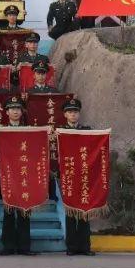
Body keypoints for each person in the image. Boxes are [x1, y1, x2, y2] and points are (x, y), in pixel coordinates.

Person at [0, 96, 36, 256]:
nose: (15, 111)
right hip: (8, 175)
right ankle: (8, 246)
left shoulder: (29, 130)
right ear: (6, 112)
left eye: (18, 109)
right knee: (8, 211)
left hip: (24, 175)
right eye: (12, 109)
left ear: (22, 112)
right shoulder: (1, 129)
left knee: (24, 211)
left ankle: (24, 246)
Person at [58, 98, 94, 256]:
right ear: (65, 114)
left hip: (84, 174)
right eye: (70, 112)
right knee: (71, 211)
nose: (73, 114)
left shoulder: (87, 130)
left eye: (75, 112)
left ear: (79, 114)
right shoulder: (60, 131)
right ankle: (71, 247)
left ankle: (85, 246)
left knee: (85, 210)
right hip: (68, 175)